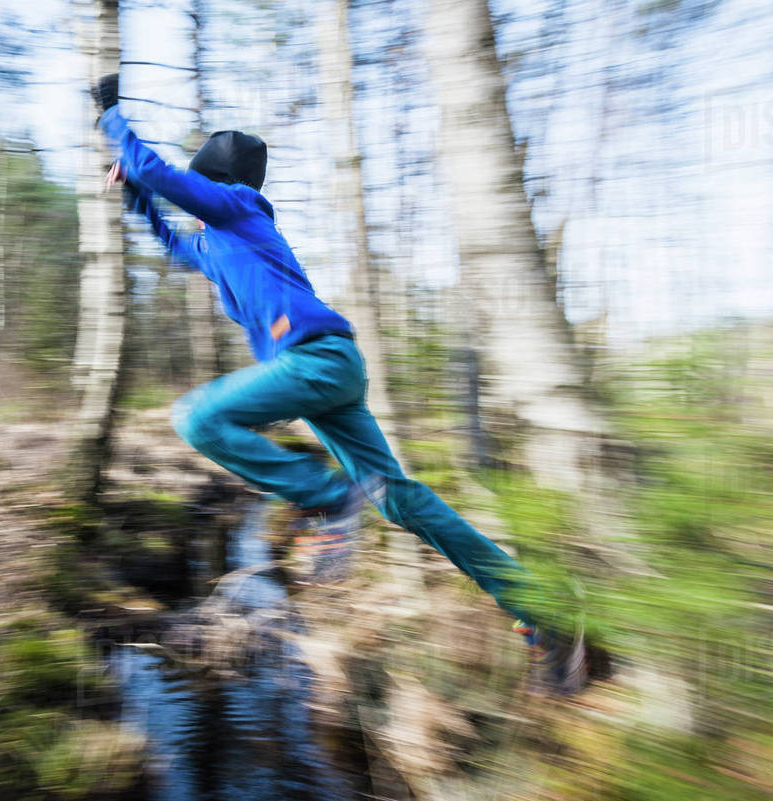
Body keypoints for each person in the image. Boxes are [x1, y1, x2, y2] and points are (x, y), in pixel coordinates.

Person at [90, 75, 587, 696]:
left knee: (197, 418)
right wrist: (135, 194)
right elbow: (169, 241)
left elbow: (162, 173)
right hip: (326, 372)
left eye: (198, 182)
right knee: (402, 502)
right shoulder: (218, 243)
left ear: (215, 182)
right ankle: (543, 610)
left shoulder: (239, 206)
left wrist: (111, 117)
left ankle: (325, 499)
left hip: (315, 362)